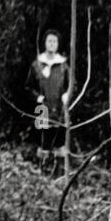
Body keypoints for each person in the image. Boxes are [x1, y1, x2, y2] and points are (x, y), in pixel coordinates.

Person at [26, 29, 70, 161]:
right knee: (43, 139)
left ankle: (59, 171)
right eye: (49, 41)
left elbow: (72, 84)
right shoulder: (37, 65)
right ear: (45, 43)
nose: (52, 44)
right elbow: (28, 87)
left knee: (59, 140)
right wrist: (37, 97)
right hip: (42, 108)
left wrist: (67, 95)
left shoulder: (63, 65)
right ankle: (42, 169)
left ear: (58, 44)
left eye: (54, 41)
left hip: (60, 108)